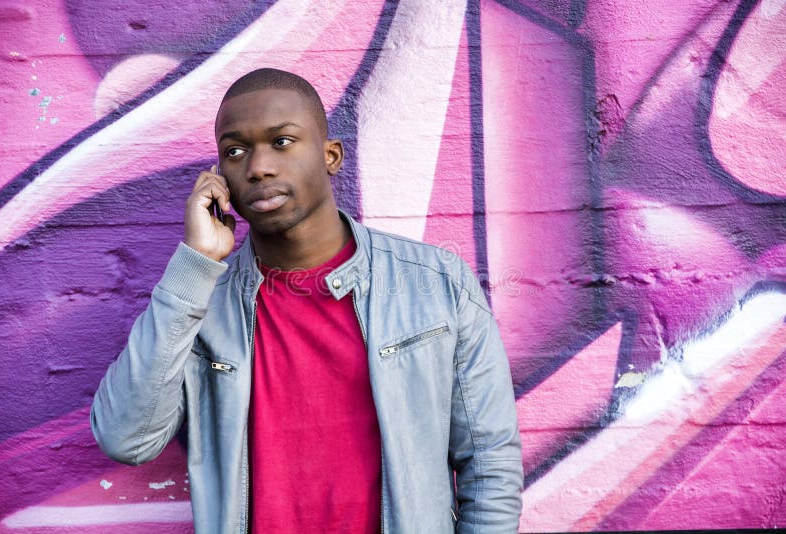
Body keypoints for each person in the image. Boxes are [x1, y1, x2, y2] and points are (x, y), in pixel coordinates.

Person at [91, 68, 523, 533]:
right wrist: (195, 265)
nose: (258, 167)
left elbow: (490, 464)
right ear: (219, 178)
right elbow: (126, 439)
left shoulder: (436, 284)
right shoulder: (201, 303)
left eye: (282, 142)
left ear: (330, 155)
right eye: (235, 151)